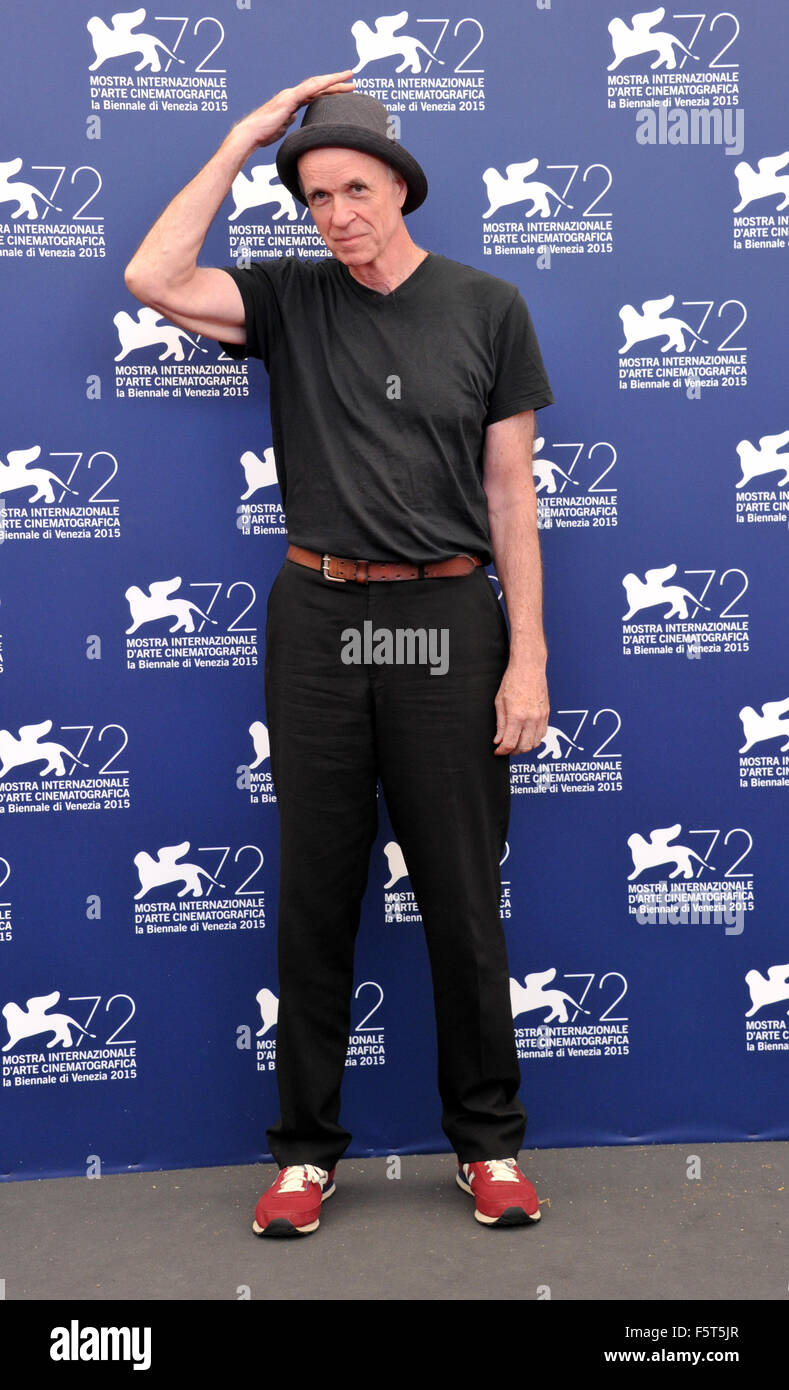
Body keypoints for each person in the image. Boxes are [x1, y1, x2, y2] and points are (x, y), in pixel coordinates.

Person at [124, 70, 554, 1236]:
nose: (337, 213)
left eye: (356, 188)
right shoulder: (288, 300)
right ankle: (306, 1155)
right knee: (315, 895)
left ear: (401, 188)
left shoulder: (487, 305)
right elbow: (153, 278)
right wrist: (242, 137)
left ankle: (489, 1146)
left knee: (464, 899)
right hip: (319, 620)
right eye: (314, 195)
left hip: (451, 620)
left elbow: (511, 499)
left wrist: (529, 660)